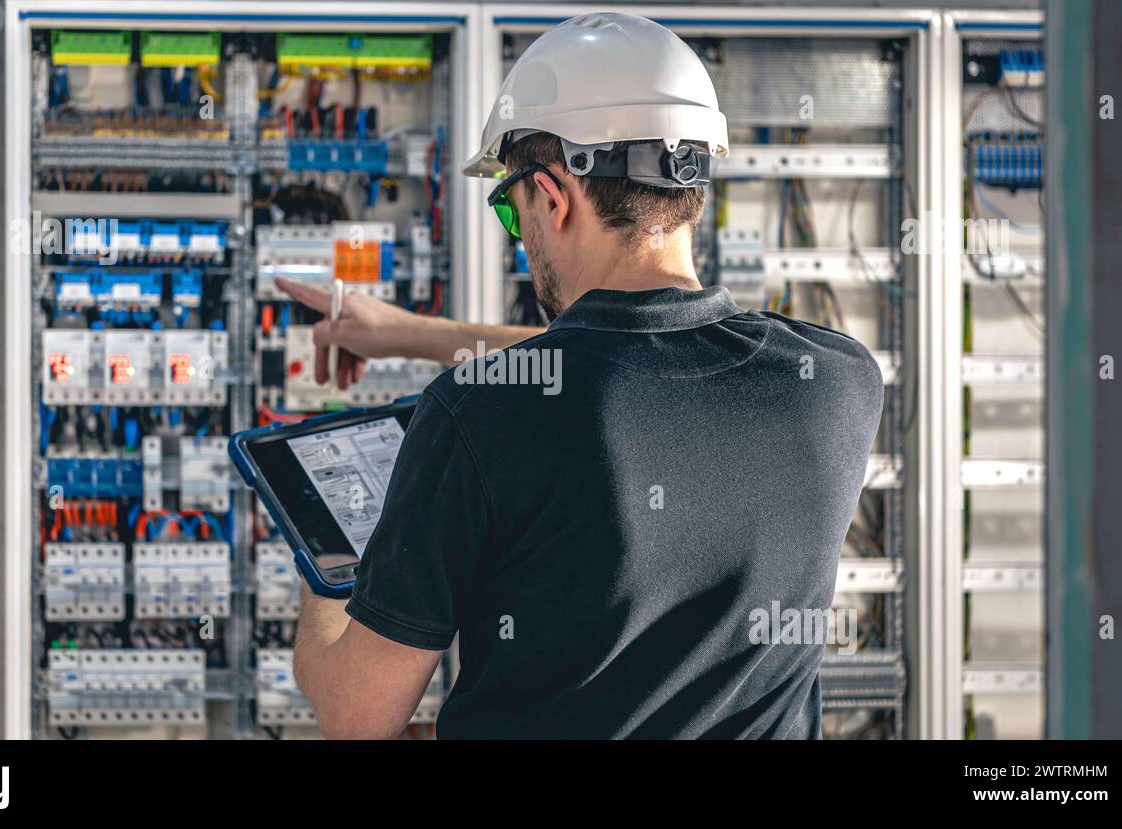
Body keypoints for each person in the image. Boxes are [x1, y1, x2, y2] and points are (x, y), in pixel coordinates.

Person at [286, 12, 883, 739]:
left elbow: (356, 715)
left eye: (512, 207)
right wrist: (408, 335)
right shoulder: (835, 382)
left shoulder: (474, 418)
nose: (520, 234)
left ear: (554, 196)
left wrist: (327, 568)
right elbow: (632, 357)